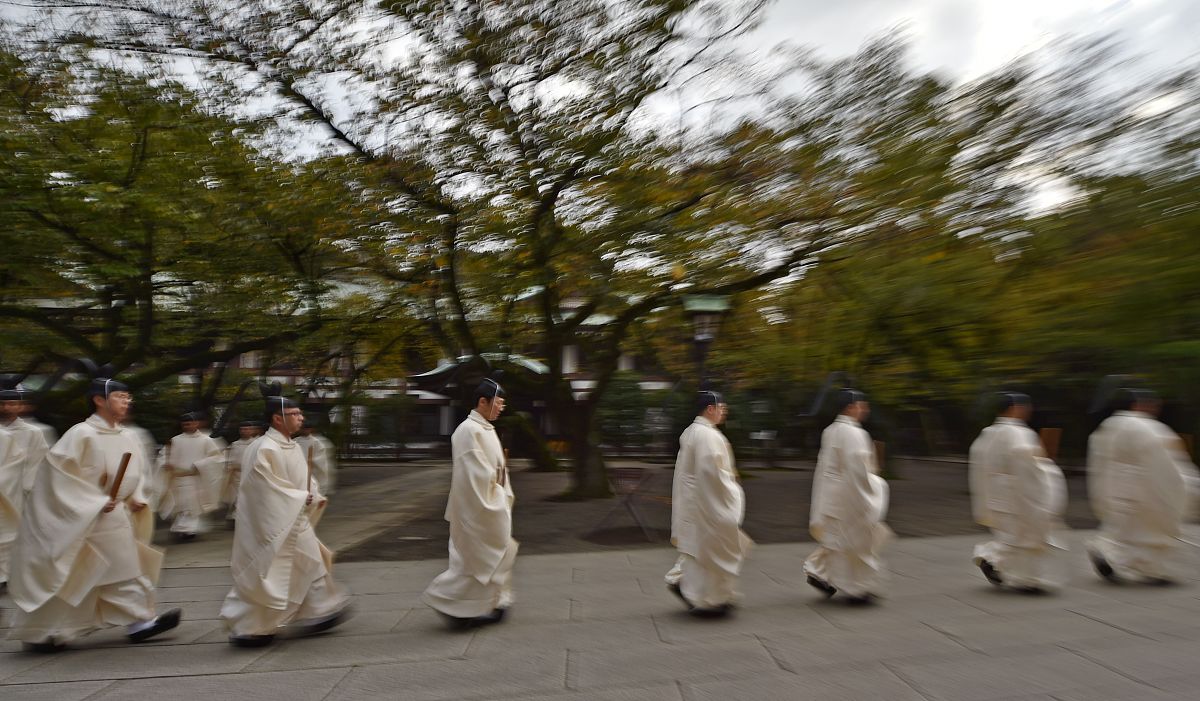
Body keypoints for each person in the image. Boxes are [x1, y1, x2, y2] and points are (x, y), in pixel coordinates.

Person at [6, 376, 180, 651]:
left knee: (108, 571)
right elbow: (58, 476)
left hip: (114, 512)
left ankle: (50, 631)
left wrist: (136, 496)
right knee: (96, 570)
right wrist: (94, 501)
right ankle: (49, 630)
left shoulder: (128, 435)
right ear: (100, 400)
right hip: (88, 514)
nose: (127, 402)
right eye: (120, 397)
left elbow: (140, 472)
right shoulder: (81, 433)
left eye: (128, 397)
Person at [220, 393, 349, 646]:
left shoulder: (291, 446)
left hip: (293, 516)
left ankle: (318, 610)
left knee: (308, 563)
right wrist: (300, 496)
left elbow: (302, 479)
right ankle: (251, 626)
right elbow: (266, 488)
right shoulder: (264, 448)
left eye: (301, 414)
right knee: (283, 568)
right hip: (274, 521)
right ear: (277, 419)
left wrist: (312, 492)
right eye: (295, 414)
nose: (301, 418)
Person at [424, 379, 517, 629]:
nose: (501, 408)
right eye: (498, 402)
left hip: (491, 499)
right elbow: (473, 474)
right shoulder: (468, 430)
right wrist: (496, 489)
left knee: (494, 556)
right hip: (475, 507)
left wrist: (499, 486)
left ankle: (487, 604)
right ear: (482, 402)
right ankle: (449, 602)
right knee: (473, 561)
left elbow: (494, 471)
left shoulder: (485, 428)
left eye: (503, 403)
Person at [1087, 389, 1200, 584]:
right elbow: (1166, 462)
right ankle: (1145, 567)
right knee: (1150, 530)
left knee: (1123, 528)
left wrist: (1102, 487)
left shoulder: (1110, 425)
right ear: (1141, 404)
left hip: (1115, 483)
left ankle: (1108, 552)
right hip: (1144, 485)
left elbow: (1099, 458)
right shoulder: (1148, 427)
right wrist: (1186, 484)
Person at [665, 391, 752, 616]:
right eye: (722, 407)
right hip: (708, 502)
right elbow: (712, 474)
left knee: (699, 548)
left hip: (696, 502)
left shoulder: (692, 431)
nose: (724, 412)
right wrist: (733, 489)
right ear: (710, 409)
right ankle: (707, 599)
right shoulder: (707, 435)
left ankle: (686, 583)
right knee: (715, 549)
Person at [969, 393, 1067, 592]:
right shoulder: (1019, 433)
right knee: (1024, 537)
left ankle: (994, 559)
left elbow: (980, 468)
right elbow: (1028, 467)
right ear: (1015, 408)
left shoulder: (988, 433)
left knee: (1011, 536)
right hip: (1017, 493)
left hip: (997, 494)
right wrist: (1047, 476)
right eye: (1025, 407)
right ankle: (1023, 576)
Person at [804, 389, 892, 603]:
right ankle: (856, 588)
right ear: (851, 407)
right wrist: (872, 491)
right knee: (857, 542)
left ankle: (819, 572)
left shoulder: (831, 430)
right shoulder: (855, 433)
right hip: (850, 496)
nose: (866, 409)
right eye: (863, 405)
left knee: (837, 541)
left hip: (832, 497)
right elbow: (858, 471)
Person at [157, 411, 224, 539]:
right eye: (184, 424)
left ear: (196, 423)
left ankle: (189, 531)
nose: (187, 426)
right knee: (180, 505)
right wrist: (166, 463)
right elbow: (164, 456)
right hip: (178, 479)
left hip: (196, 478)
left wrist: (200, 465)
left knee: (192, 507)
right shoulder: (175, 440)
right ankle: (182, 530)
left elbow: (217, 458)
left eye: (189, 424)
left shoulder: (206, 440)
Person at [221, 421, 261, 523]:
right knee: (236, 497)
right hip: (236, 475)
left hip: (251, 474)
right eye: (243, 429)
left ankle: (243, 517)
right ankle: (236, 516)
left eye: (247, 429)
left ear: (252, 430)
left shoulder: (257, 443)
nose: (245, 431)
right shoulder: (235, 444)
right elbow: (229, 459)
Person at [294, 417, 336, 496]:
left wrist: (311, 460)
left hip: (312, 470)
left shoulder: (317, 442)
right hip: (298, 470)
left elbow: (321, 458)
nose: (304, 430)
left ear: (311, 429)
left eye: (307, 428)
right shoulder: (295, 441)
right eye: (303, 428)